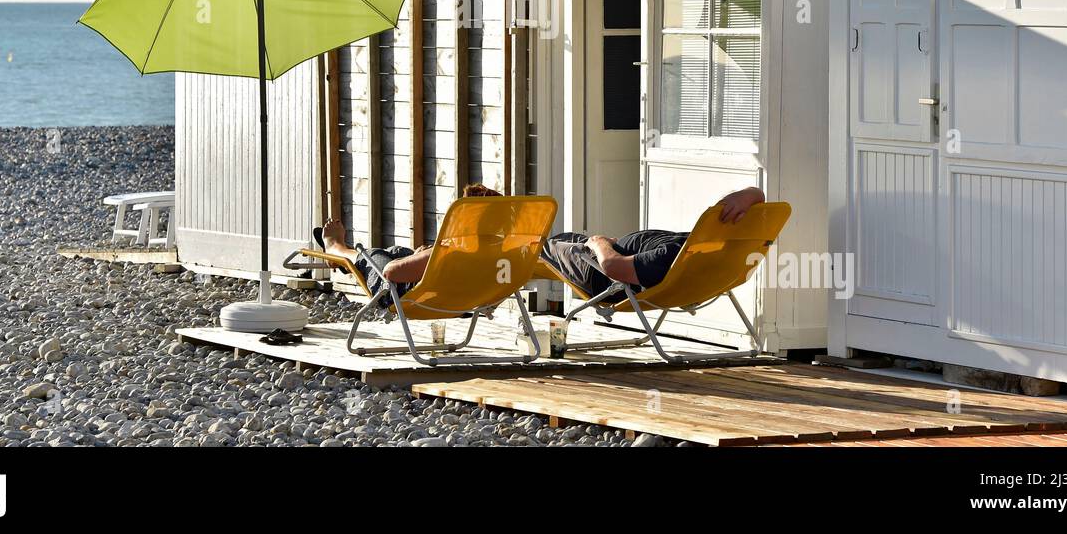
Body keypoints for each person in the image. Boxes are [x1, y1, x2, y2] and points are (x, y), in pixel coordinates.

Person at [541, 186, 765, 298]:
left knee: (540, 248)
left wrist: (599, 242)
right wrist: (748, 194)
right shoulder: (721, 250)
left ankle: (509, 251)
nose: (722, 209)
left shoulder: (672, 255)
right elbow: (757, 194)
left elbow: (613, 267)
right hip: (604, 252)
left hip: (595, 271)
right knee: (565, 237)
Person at [305, 183, 502, 302]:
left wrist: (423, 256)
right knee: (398, 250)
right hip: (461, 299)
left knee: (373, 256)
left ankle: (336, 248)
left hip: (400, 295)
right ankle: (342, 262)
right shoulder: (504, 254)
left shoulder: (449, 252)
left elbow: (392, 273)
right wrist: (420, 256)